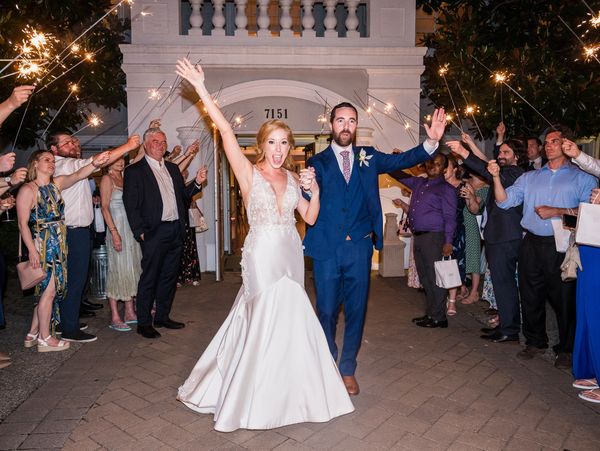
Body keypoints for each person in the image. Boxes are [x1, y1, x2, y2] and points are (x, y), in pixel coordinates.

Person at [175, 58, 354, 431]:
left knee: (291, 316)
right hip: (260, 252)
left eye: (284, 143)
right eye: (272, 142)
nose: (278, 149)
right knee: (261, 314)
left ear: (290, 147)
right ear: (261, 146)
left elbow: (310, 218)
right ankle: (250, 396)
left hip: (289, 249)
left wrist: (315, 190)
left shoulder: (292, 177)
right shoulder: (247, 171)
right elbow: (223, 129)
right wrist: (202, 90)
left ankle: (294, 393)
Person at [303, 102, 446, 395]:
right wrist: (305, 187)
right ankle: (328, 359)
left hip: (359, 247)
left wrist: (431, 142)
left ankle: (347, 368)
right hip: (327, 249)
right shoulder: (316, 163)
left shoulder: (367, 156)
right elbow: (307, 200)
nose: (346, 126)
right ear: (331, 125)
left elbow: (403, 159)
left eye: (351, 121)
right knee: (327, 310)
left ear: (356, 126)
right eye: (340, 120)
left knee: (356, 310)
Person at [489, 126, 597, 368]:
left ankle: (566, 348)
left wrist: (558, 211)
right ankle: (535, 341)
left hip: (561, 243)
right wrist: (496, 177)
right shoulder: (529, 177)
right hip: (531, 242)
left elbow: (589, 213)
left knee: (564, 298)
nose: (548, 145)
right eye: (547, 142)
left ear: (567, 146)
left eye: (555, 141)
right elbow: (504, 202)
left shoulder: (582, 178)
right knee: (530, 294)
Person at [49, 132, 141, 343]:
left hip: (81, 229)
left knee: (77, 279)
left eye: (74, 141)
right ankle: (69, 329)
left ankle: (68, 320)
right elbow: (99, 161)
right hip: (72, 230)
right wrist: (127, 146)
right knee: (74, 279)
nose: (73, 144)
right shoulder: (64, 165)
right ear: (54, 149)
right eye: (67, 143)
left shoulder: (71, 164)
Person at [16, 149, 110, 352]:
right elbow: (23, 224)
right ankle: (45, 338)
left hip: (59, 242)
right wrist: (32, 251)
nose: (51, 163)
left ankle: (32, 333)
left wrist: (95, 163)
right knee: (49, 292)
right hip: (43, 244)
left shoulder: (55, 184)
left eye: (52, 160)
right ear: (35, 164)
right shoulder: (28, 190)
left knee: (50, 292)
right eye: (46, 160)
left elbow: (77, 175)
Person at [123, 126, 207, 339]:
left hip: (175, 229)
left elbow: (184, 198)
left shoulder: (171, 169)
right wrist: (140, 232)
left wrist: (197, 182)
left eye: (163, 142)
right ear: (146, 144)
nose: (160, 146)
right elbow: (130, 205)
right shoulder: (135, 171)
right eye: (155, 142)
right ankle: (144, 322)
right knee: (150, 277)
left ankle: (162, 316)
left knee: (169, 277)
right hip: (153, 232)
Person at [560, 140, 600, 403]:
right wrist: (577, 155)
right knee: (587, 309)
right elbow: (596, 166)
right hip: (593, 245)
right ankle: (594, 370)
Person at [402, 154, 457, 326]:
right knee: (425, 278)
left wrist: (448, 241)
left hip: (434, 238)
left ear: (444, 168)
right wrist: (398, 160)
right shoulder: (419, 183)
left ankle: (439, 318)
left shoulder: (446, 189)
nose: (433, 165)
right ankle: (431, 313)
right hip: (418, 237)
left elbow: (450, 217)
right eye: (430, 162)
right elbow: (398, 175)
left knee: (435, 279)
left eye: (438, 164)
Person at [100, 158, 141, 331]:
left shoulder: (125, 177)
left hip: (130, 229)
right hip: (116, 227)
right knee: (117, 269)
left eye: (121, 160)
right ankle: (115, 316)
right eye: (115, 160)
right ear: (108, 163)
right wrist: (114, 233)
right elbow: (104, 207)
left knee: (131, 268)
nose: (120, 163)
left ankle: (130, 312)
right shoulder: (106, 179)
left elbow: (139, 156)